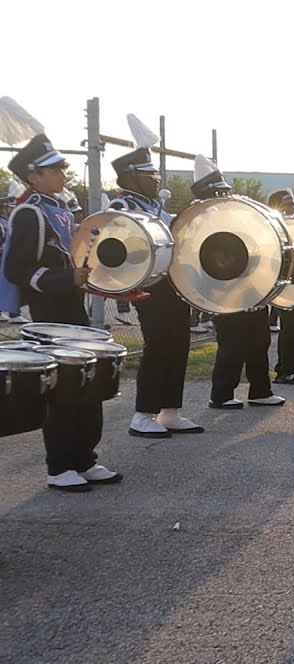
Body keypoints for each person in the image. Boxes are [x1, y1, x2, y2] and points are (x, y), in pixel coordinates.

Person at [0, 114, 121, 491]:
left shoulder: (60, 209)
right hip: (50, 315)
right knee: (63, 392)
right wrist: (64, 280)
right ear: (32, 176)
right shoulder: (30, 213)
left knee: (86, 387)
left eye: (60, 169)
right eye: (53, 171)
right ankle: (59, 465)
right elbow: (20, 270)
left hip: (72, 310)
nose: (61, 176)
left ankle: (84, 458)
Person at [109, 116, 203, 438]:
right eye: (150, 174)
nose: (156, 179)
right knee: (159, 345)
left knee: (179, 344)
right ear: (131, 177)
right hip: (149, 286)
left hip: (173, 285)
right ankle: (142, 414)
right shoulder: (122, 206)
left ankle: (170, 410)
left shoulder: (154, 206)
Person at [205, 175, 284, 409]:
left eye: (226, 192)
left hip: (251, 289)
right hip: (225, 292)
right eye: (219, 192)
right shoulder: (205, 223)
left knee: (259, 341)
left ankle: (260, 390)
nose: (225, 197)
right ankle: (221, 394)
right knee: (231, 345)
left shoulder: (236, 220)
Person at [267, 189, 294, 385]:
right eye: (286, 206)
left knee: (293, 327)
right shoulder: (272, 227)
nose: (291, 209)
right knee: (286, 328)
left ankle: (288, 368)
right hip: (277, 282)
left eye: (292, 205)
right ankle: (284, 370)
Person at [1, 179, 31, 324]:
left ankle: (13, 313)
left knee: (12, 287)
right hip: (3, 258)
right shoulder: (2, 222)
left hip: (9, 258)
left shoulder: (11, 221)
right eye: (9, 207)